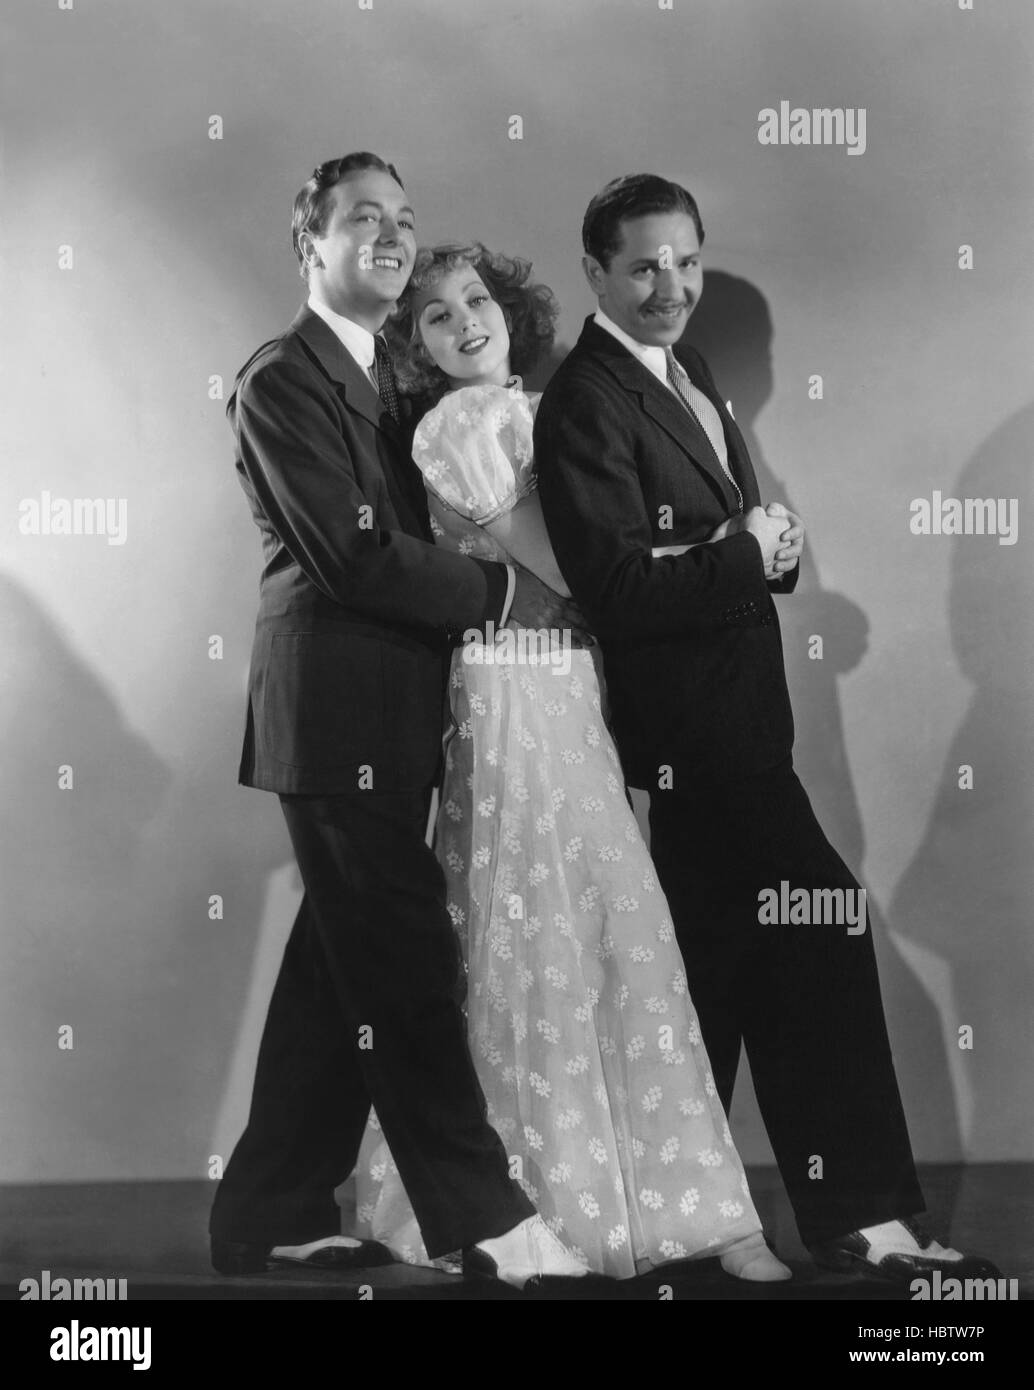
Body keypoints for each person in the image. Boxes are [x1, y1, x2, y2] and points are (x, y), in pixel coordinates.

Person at [533, 173, 1000, 1285]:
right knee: (816, 935)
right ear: (594, 271)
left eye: (687, 262)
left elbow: (706, 546)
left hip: (735, 724)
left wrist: (766, 553)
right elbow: (613, 589)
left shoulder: (687, 372)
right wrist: (740, 550)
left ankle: (685, 1220)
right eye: (644, 266)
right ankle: (859, 1220)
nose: (670, 287)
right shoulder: (585, 397)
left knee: (711, 974)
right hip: (689, 740)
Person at [353, 242, 792, 1282]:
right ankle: (541, 1206)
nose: (465, 322)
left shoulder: (540, 410)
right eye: (433, 316)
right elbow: (571, 573)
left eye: (475, 300)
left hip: (567, 684)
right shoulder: (460, 426)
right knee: (536, 919)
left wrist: (708, 552)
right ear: (413, 348)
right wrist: (736, 547)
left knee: (606, 921)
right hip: (510, 687)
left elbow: (606, 569)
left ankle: (681, 1207)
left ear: (510, 308)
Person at [208, 152, 597, 1292]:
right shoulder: (282, 378)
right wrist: (511, 594)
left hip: (395, 712)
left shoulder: (384, 378)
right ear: (310, 243)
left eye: (404, 218)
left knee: (337, 967)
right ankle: (491, 1223)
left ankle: (271, 1212)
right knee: (406, 968)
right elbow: (356, 555)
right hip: (334, 715)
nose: (389, 234)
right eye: (363, 217)